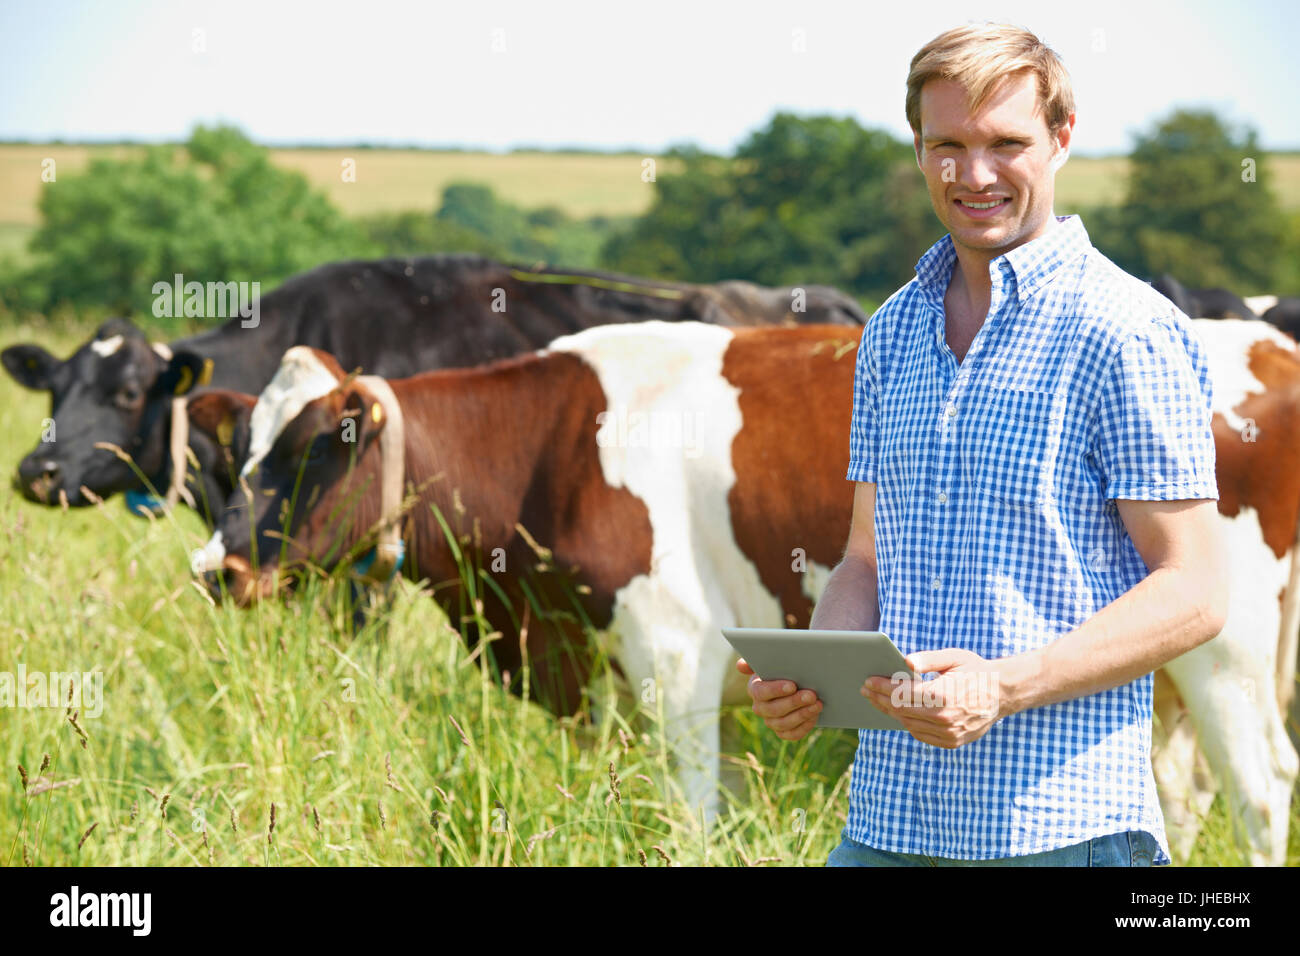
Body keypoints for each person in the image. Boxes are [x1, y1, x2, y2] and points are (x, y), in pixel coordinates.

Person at [739, 22, 1228, 867]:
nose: (975, 175)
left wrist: (1004, 686)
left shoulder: (1124, 330)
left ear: (1062, 138)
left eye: (1007, 143)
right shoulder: (892, 329)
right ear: (918, 146)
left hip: (1058, 826)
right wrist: (813, 678)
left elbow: (1197, 589)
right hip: (888, 820)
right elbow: (865, 559)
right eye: (948, 145)